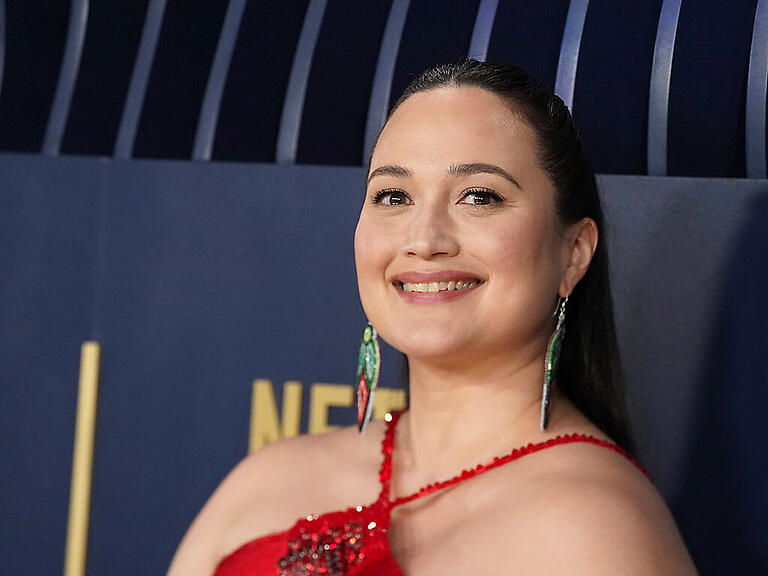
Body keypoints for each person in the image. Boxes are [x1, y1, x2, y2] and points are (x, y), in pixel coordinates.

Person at [167, 59, 698, 575]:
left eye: (479, 196)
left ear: (574, 252)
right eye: (393, 196)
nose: (424, 240)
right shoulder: (267, 479)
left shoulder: (595, 529)